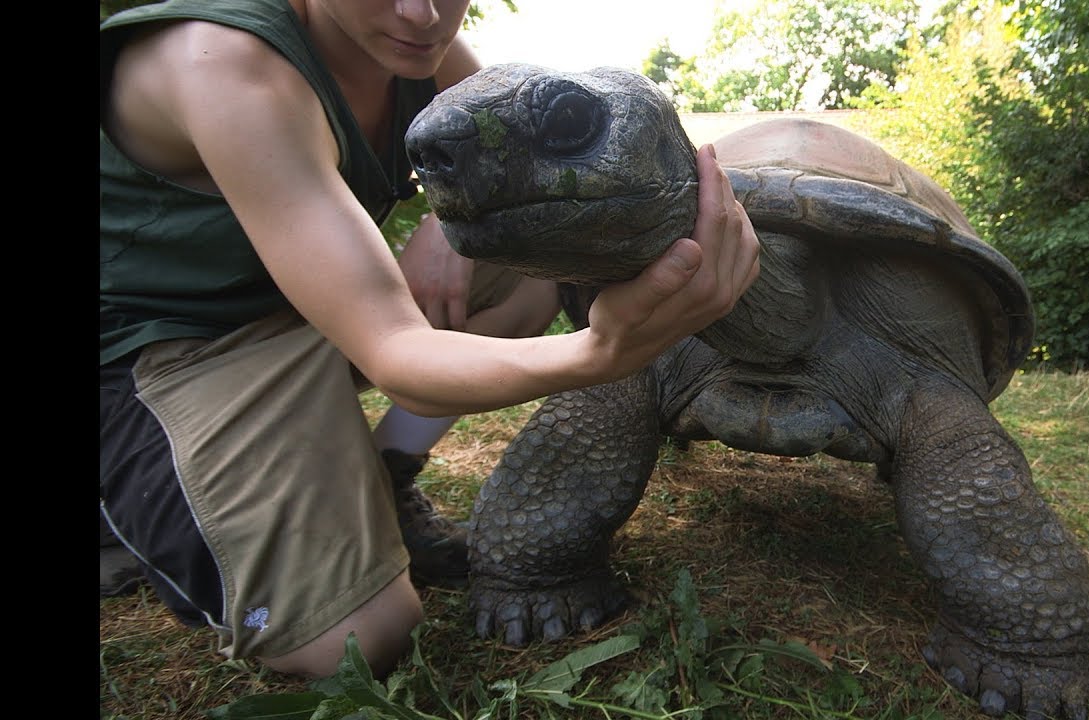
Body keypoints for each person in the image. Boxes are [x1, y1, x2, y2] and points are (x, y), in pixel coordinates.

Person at [100, 0, 760, 681]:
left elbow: (512, 139)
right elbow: (393, 352)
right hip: (159, 354)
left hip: (300, 306)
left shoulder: (409, 42)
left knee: (523, 267)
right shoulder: (224, 64)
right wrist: (600, 353)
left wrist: (452, 231)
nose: (421, 12)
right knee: (352, 642)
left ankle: (385, 475)